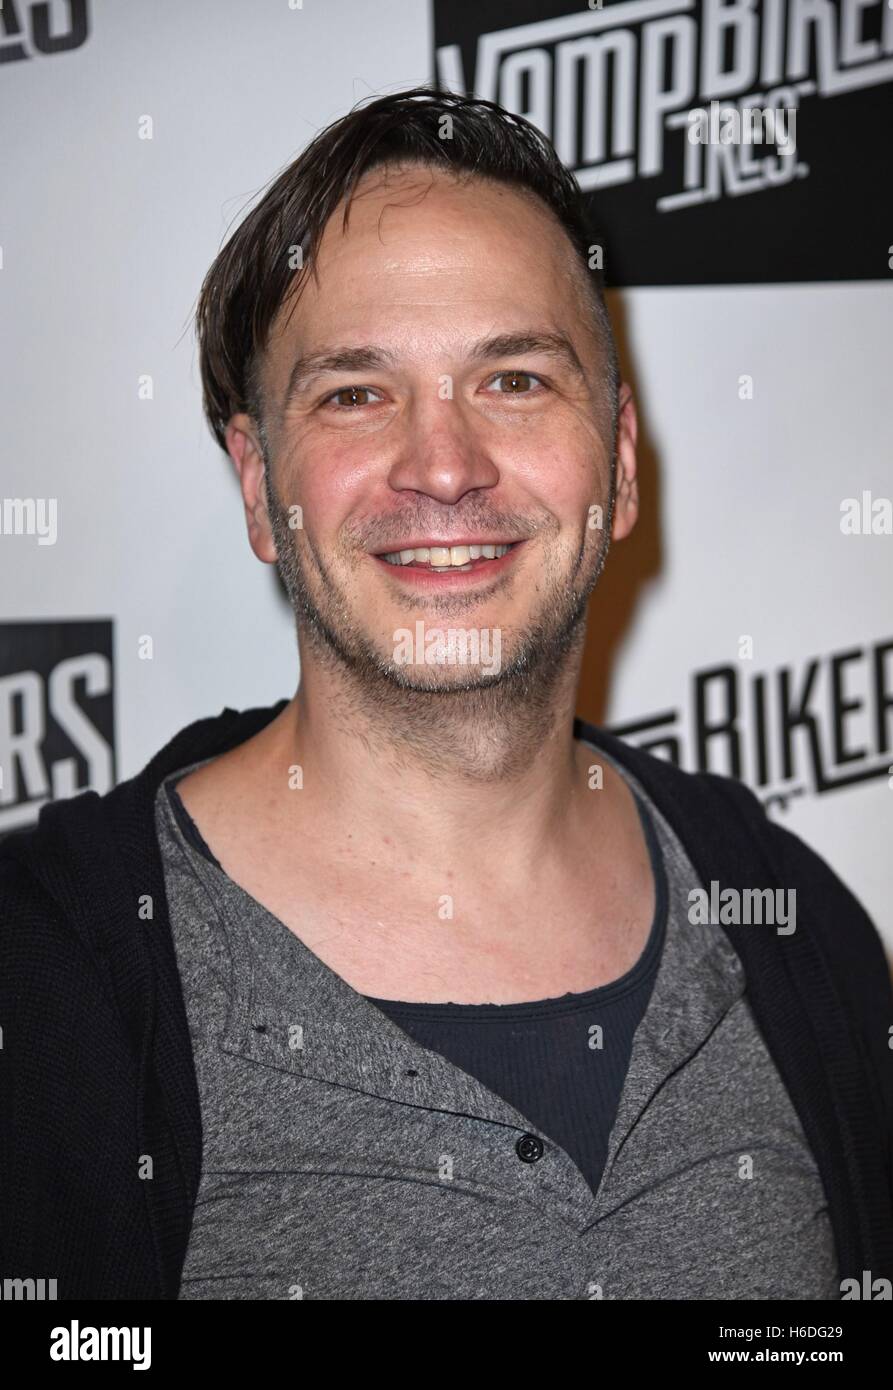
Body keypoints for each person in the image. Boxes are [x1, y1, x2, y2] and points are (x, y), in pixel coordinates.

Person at [2, 87, 891, 1301]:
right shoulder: (51, 971)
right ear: (261, 488)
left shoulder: (787, 918)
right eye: (356, 392)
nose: (443, 466)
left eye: (515, 379)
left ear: (619, 466)